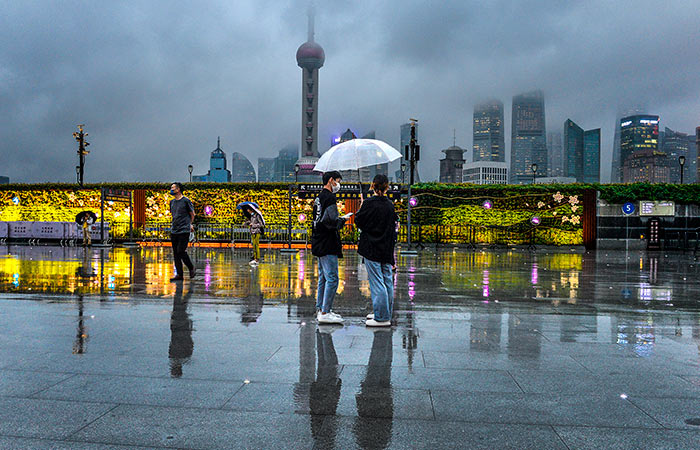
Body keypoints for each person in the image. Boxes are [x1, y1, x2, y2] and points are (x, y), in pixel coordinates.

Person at [355, 174, 398, 327]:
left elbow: (359, 221)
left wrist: (362, 208)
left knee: (377, 283)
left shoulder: (368, 203)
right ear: (387, 187)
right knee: (387, 281)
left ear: (373, 186)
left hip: (371, 248)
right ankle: (385, 313)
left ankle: (381, 317)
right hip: (386, 248)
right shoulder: (390, 205)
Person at [312, 171, 350, 325]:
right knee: (333, 278)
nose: (338, 184)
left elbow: (319, 220)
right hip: (328, 243)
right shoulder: (330, 198)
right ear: (331, 180)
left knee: (323, 277)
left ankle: (321, 308)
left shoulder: (319, 198)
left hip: (319, 241)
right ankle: (325, 312)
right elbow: (331, 221)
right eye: (337, 181)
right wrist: (342, 220)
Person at [169, 182, 196, 282]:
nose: (171, 189)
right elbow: (173, 214)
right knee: (176, 253)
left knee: (181, 250)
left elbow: (192, 214)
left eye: (173, 188)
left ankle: (191, 267)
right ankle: (179, 274)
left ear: (178, 189)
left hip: (184, 230)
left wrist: (190, 224)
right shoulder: (172, 202)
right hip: (174, 230)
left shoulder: (186, 201)